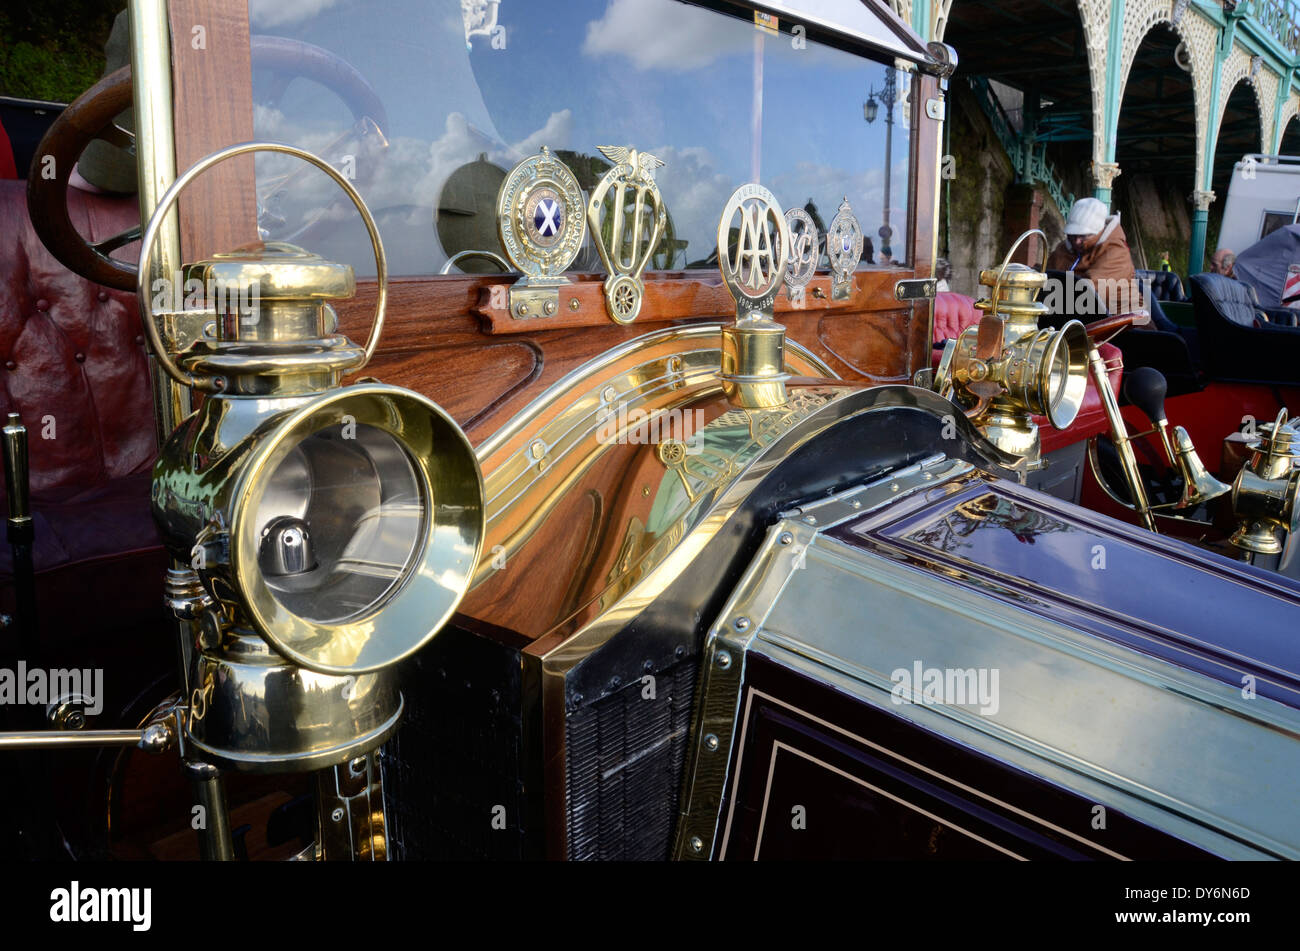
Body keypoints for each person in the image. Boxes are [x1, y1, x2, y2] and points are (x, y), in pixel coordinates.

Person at [1047, 196, 1176, 330]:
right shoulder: (1064, 249)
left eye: (1083, 236)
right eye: (1072, 234)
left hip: (1125, 327)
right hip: (1079, 322)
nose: (1076, 241)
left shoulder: (1116, 252)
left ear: (1099, 232)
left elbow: (1086, 291)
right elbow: (1046, 274)